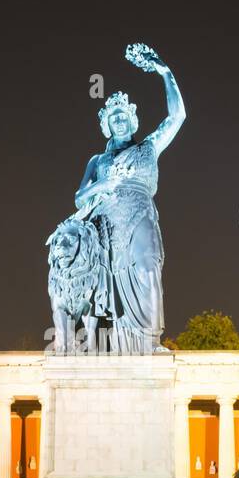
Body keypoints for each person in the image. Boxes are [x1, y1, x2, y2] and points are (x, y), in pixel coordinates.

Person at [69, 43, 186, 354]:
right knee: (109, 285)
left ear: (133, 121)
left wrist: (164, 72)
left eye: (123, 115)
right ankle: (110, 344)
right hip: (107, 225)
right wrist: (101, 186)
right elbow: (80, 197)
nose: (119, 120)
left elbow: (177, 116)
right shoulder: (97, 161)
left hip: (140, 215)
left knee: (147, 267)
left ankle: (148, 341)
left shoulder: (149, 146)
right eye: (113, 117)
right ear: (107, 124)